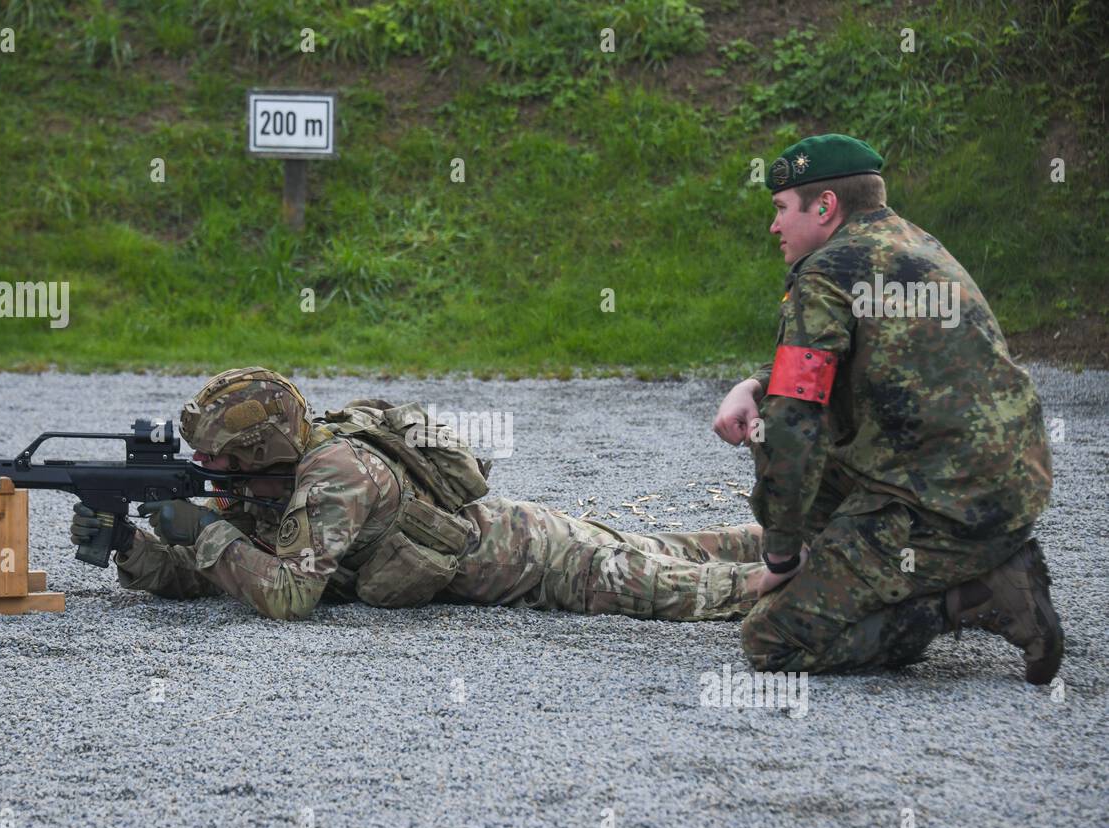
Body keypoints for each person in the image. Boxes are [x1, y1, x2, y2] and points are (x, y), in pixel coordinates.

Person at [712, 133, 1061, 683]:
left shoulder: (826, 271)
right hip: (1011, 489)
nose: (774, 226)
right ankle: (938, 566)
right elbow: (838, 364)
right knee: (812, 460)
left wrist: (780, 558)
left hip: (941, 505)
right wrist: (754, 384)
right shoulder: (916, 246)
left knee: (771, 638)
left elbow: (792, 421)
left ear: (825, 206)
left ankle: (972, 595)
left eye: (781, 209)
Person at [71, 368, 767, 623]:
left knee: (693, 590)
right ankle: (791, 541)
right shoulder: (265, 480)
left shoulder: (333, 474)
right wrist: (134, 548)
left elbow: (286, 595)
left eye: (217, 457)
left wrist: (201, 530)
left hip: (545, 565)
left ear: (260, 451)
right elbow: (216, 574)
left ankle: (822, 580)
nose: (204, 466)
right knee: (674, 546)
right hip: (516, 532)